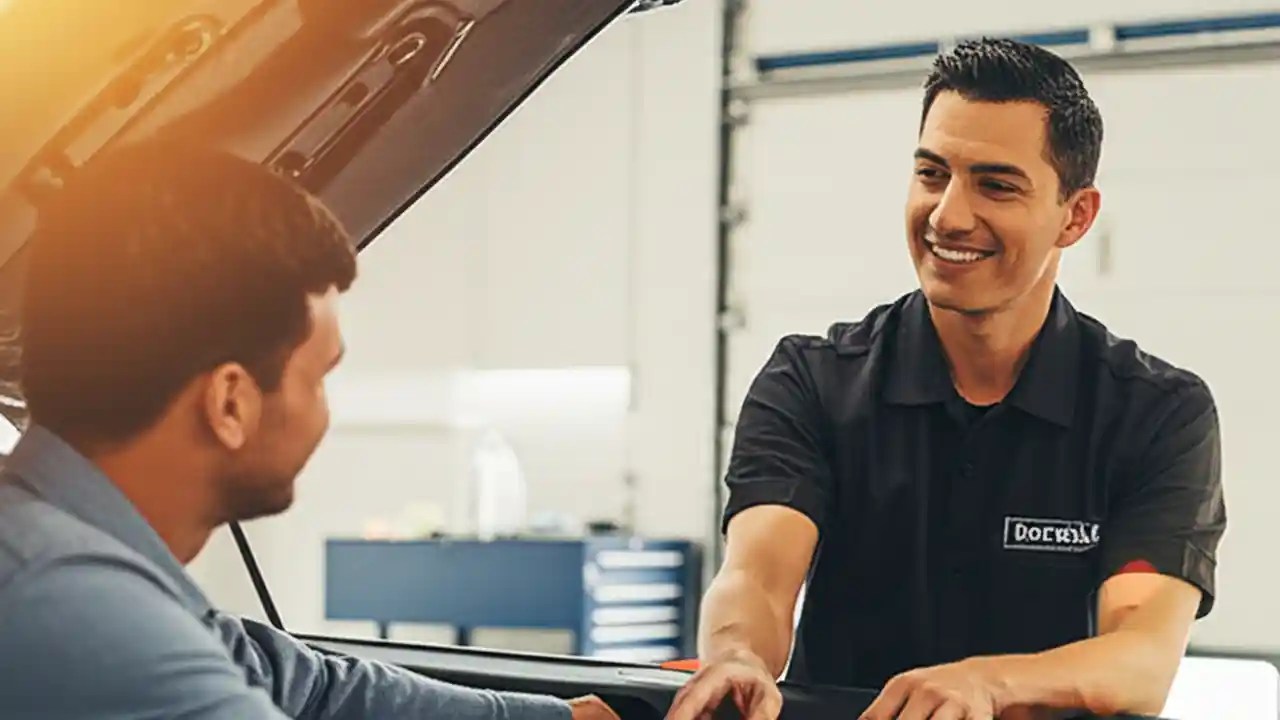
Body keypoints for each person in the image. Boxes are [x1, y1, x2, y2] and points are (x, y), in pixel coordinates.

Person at [667, 38, 1226, 720]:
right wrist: (737, 655)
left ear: (1075, 216)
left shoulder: (1156, 413)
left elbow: (1139, 656)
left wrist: (985, 683)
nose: (948, 216)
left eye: (995, 184)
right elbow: (756, 575)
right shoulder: (811, 382)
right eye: (934, 174)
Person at [0, 141, 620, 720]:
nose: (324, 412)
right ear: (230, 403)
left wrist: (552, 718)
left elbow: (310, 687)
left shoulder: (68, 553)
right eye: (320, 377)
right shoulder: (77, 613)